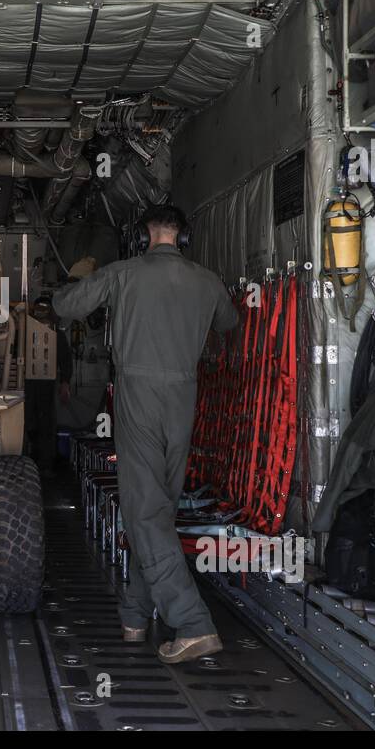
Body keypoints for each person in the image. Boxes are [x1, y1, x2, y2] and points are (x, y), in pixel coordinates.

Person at [53, 205, 238, 665]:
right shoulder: (207, 280)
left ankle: (193, 624)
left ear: (142, 239)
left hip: (138, 393)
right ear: (185, 240)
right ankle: (135, 612)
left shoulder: (124, 272)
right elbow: (230, 324)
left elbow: (64, 305)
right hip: (184, 396)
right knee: (156, 509)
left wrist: (83, 279)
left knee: (143, 509)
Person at [25, 296, 72, 474]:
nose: (41, 314)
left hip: (46, 384)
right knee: (29, 424)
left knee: (46, 425)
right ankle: (31, 463)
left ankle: (45, 466)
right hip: (27, 385)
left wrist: (65, 383)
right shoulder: (25, 331)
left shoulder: (56, 334)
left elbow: (65, 360)